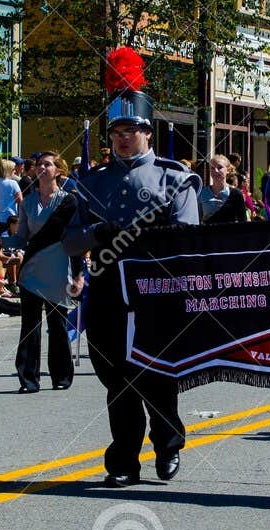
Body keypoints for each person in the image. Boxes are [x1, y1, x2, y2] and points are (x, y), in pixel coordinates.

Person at [64, 46, 200, 487]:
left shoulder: (173, 177)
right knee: (115, 378)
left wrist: (150, 237)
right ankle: (123, 459)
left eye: (133, 130)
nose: (124, 138)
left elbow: (188, 237)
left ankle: (168, 443)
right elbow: (69, 238)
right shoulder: (91, 182)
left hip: (155, 290)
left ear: (148, 132)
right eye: (117, 131)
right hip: (106, 290)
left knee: (157, 376)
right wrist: (96, 236)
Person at [5, 151, 76, 393]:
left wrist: (78, 274)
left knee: (57, 324)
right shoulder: (27, 202)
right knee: (30, 325)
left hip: (58, 269)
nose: (42, 168)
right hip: (32, 269)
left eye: (48, 164)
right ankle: (28, 379)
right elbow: (22, 238)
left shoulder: (68, 201)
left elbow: (75, 240)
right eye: (39, 165)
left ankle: (61, 375)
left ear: (59, 170)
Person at [199, 154, 246, 223]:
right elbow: (197, 220)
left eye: (219, 167)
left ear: (228, 170)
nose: (216, 171)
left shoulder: (236, 194)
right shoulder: (202, 193)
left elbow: (243, 222)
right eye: (212, 168)